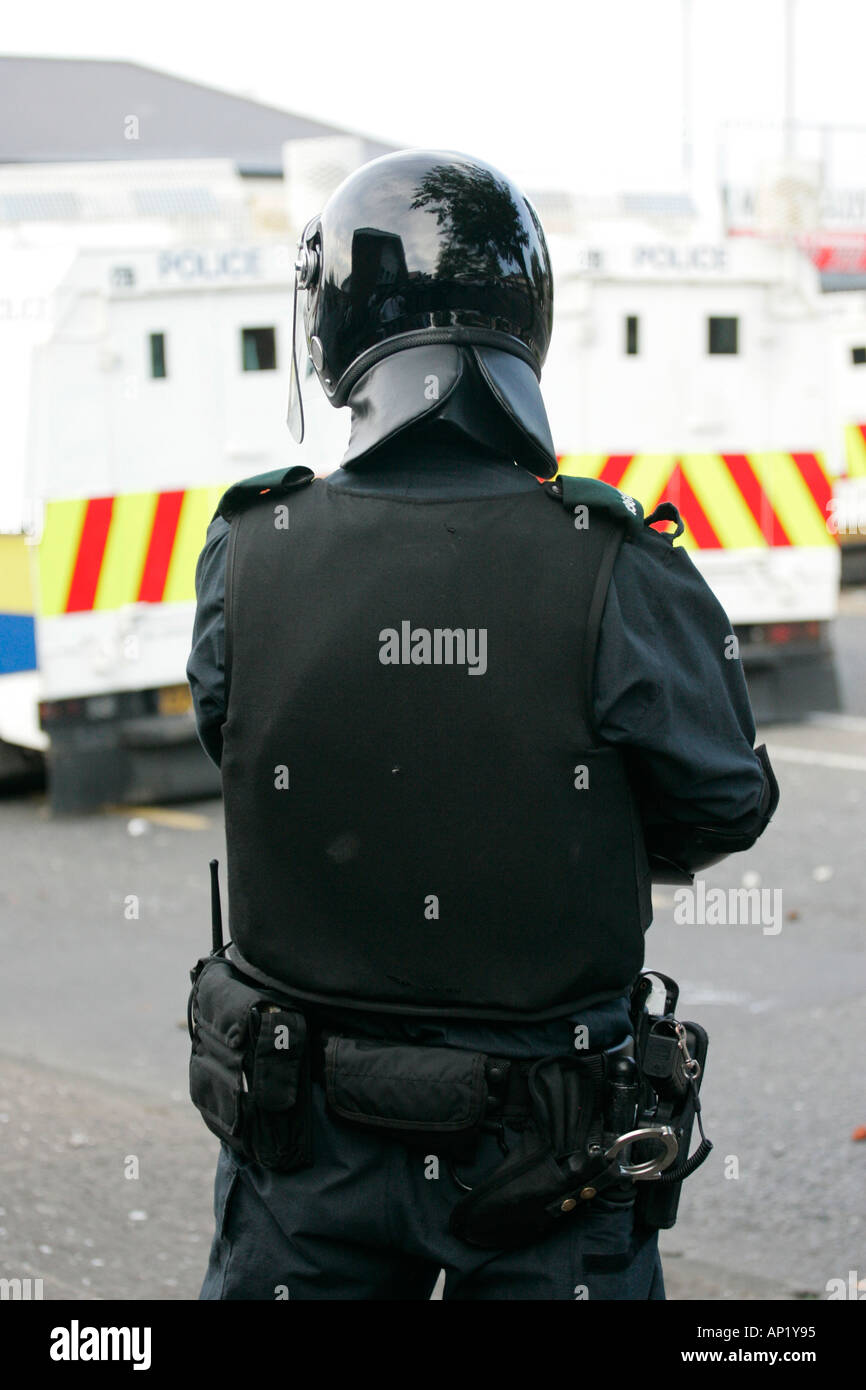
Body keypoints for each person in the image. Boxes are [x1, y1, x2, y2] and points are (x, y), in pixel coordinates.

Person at [186, 148, 779, 1301]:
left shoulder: (250, 547)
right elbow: (723, 803)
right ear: (526, 319)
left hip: (299, 1139)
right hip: (545, 1146)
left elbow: (240, 746)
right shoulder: (617, 563)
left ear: (338, 325)